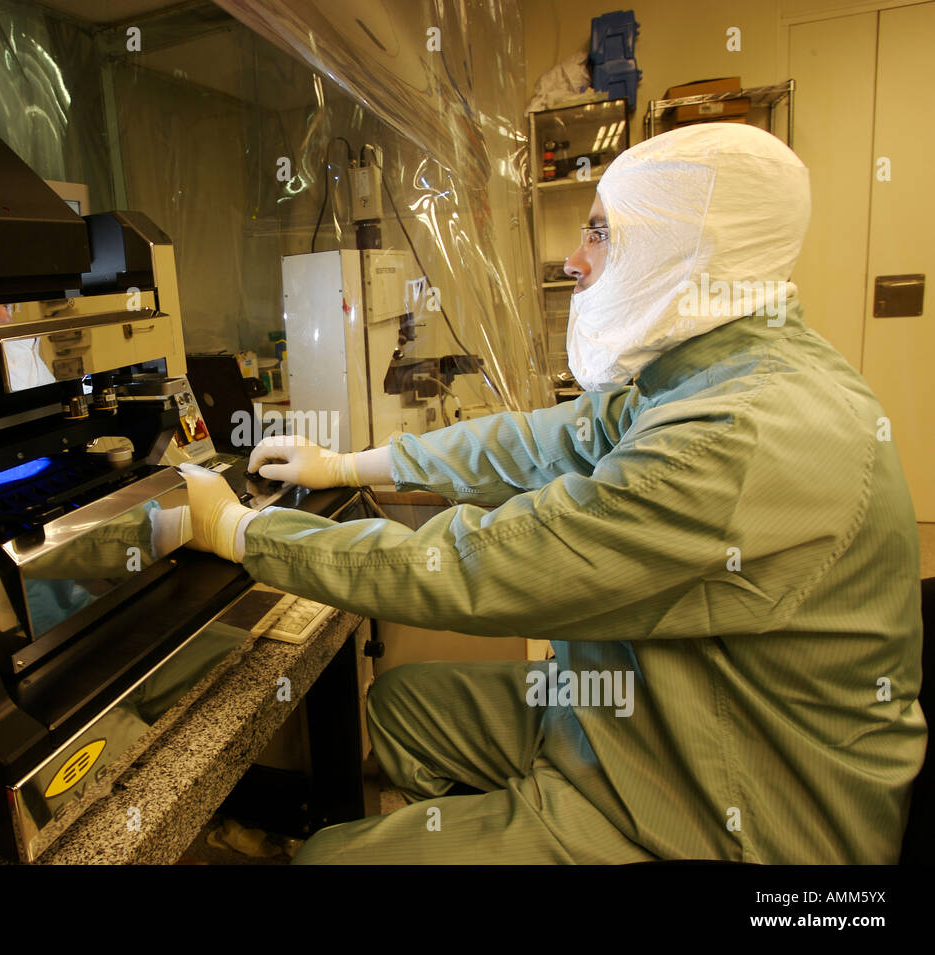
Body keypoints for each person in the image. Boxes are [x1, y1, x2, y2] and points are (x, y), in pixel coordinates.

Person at [175, 123, 926, 864]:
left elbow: (484, 567)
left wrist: (241, 531)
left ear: (686, 252)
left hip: (725, 811)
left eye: (600, 233)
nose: (573, 259)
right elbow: (537, 440)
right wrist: (346, 466)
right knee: (400, 711)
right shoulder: (715, 371)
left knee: (329, 860)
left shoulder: (739, 433)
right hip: (650, 709)